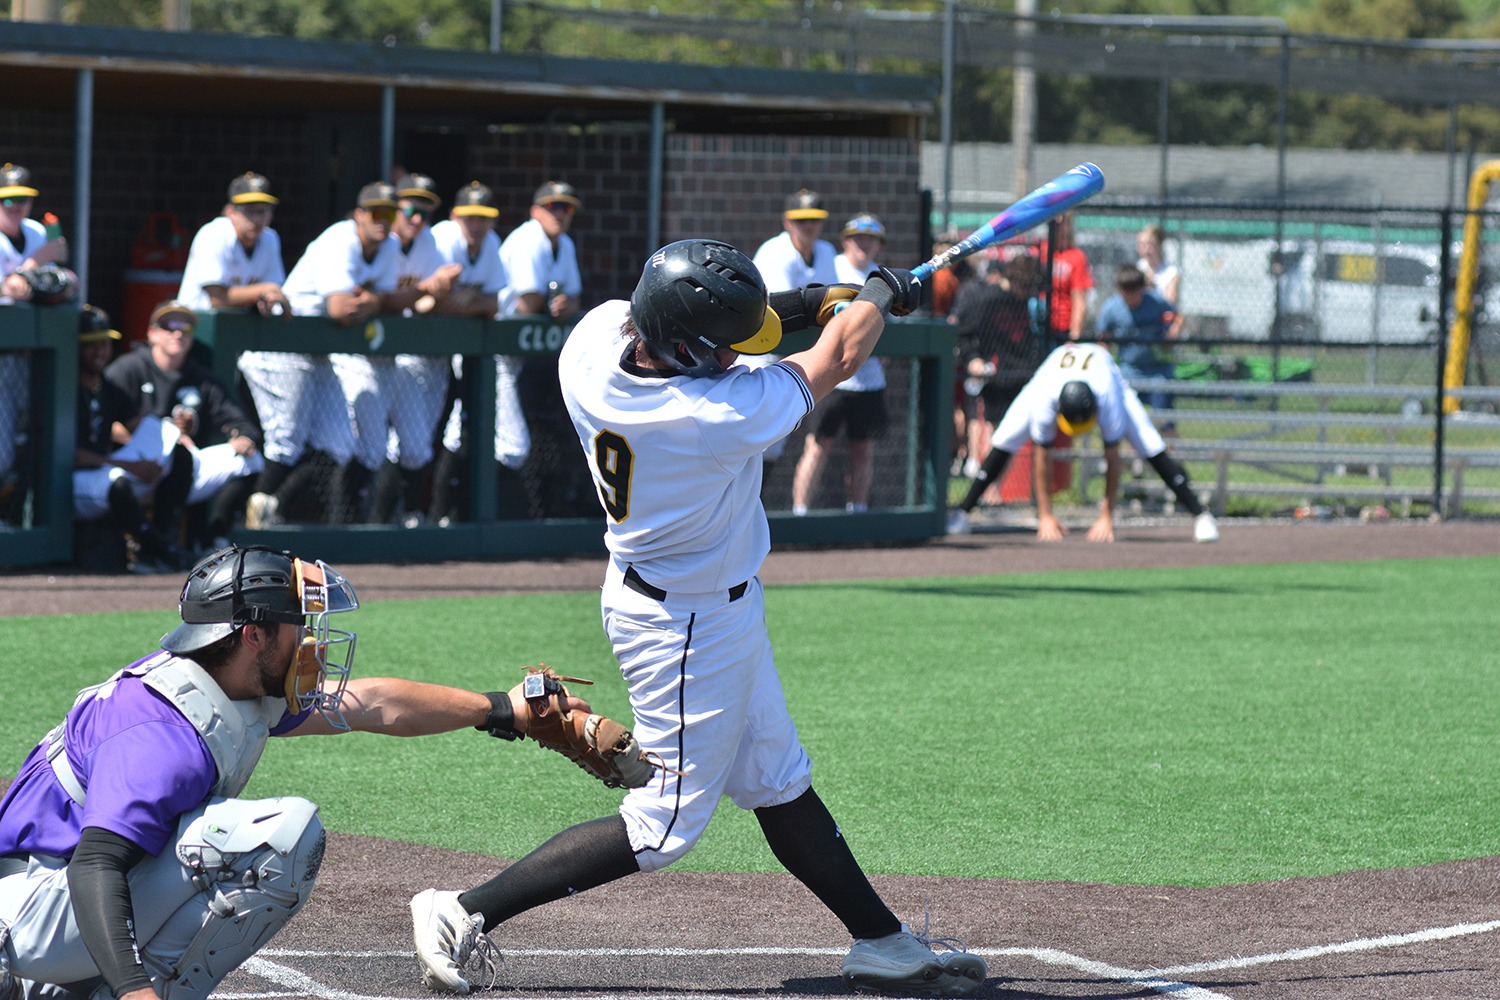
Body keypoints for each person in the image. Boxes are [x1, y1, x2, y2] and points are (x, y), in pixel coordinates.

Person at [409, 240, 988, 998]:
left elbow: (755, 326)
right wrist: (876, 294)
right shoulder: (712, 414)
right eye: (719, 349)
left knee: (777, 777)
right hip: (681, 627)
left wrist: (815, 297)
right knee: (664, 823)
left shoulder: (595, 339)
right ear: (685, 349)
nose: (730, 359)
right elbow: (838, 357)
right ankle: (460, 910)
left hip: (708, 602)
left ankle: (882, 942)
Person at [0, 542, 555, 1000]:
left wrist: (501, 709)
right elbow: (96, 867)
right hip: (29, 916)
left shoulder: (229, 686)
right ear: (253, 635)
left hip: (53, 907)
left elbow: (373, 703)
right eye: (298, 623)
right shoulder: (162, 732)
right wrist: (133, 992)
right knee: (279, 836)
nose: (310, 639)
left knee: (210, 838)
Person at [241, 181, 402, 527]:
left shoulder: (389, 246)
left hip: (319, 353)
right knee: (286, 440)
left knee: (340, 444)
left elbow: (387, 301)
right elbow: (341, 310)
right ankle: (237, 521)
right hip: (283, 347)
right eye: (376, 213)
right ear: (359, 215)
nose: (383, 220)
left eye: (390, 213)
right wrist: (376, 300)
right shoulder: (339, 240)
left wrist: (374, 300)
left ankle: (272, 507)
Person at [946, 341, 1219, 543]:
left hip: (1104, 370)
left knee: (1149, 443)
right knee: (1006, 437)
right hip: (1051, 372)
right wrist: (1046, 516)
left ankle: (1201, 515)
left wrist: (1106, 516)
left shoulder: (1107, 396)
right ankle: (961, 513)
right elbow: (1043, 456)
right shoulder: (1047, 396)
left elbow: (1113, 457)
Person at [105, 300, 265, 552]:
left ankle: (214, 537)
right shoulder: (128, 369)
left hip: (185, 469)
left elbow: (238, 420)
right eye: (170, 326)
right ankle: (155, 549)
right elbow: (103, 423)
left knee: (250, 460)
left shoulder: (200, 377)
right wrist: (153, 436)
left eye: (186, 328)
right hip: (136, 469)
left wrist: (240, 436)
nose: (178, 333)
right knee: (173, 455)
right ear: (152, 333)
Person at [426, 181, 519, 522]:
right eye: (469, 218)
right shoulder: (442, 238)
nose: (476, 225)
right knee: (410, 443)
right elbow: (435, 305)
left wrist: (467, 301)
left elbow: (495, 303)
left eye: (483, 218)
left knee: (437, 437)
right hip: (418, 350)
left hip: (452, 356)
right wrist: (469, 303)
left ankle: (438, 515)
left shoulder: (490, 243)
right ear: (455, 217)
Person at [72, 305, 191, 573]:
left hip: (103, 472)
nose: (100, 351)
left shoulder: (107, 388)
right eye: (91, 344)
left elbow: (137, 423)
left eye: (104, 343)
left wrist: (174, 429)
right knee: (118, 482)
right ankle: (162, 550)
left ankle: (159, 546)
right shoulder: (65, 385)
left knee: (179, 456)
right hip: (70, 482)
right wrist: (129, 465)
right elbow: (72, 455)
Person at [790, 212, 889, 515]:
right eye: (858, 237)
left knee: (862, 449)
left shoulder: (883, 278)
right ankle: (800, 513)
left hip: (869, 381)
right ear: (846, 241)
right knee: (818, 445)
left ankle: (857, 512)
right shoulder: (830, 267)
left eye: (871, 239)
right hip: (831, 378)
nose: (864, 244)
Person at [0, 163, 74, 523]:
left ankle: (14, 518)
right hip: (3, 355)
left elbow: (66, 281)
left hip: (30, 356)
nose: (17, 206)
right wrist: (36, 263)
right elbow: (11, 288)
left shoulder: (32, 230)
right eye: (9, 199)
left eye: (24, 199)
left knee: (27, 445)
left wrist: (38, 277)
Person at [750, 188, 840, 477]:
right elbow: (784, 310)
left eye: (813, 219)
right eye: (801, 220)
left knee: (775, 442)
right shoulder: (775, 251)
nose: (808, 226)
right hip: (758, 357)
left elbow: (833, 303)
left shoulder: (825, 251)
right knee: (757, 439)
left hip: (792, 359)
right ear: (788, 222)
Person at [948, 252, 1044, 493]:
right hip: (996, 378)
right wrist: (973, 360)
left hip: (1023, 377)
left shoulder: (1030, 307)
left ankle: (997, 491)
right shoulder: (988, 301)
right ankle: (988, 491)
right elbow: (962, 331)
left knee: (1012, 436)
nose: (1026, 292)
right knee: (995, 433)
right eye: (1024, 286)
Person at [175, 172, 290, 315]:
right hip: (194, 326)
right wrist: (264, 289)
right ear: (230, 212)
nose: (255, 219)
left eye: (261, 211)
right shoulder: (214, 233)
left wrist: (269, 298)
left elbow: (272, 289)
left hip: (238, 326)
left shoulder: (270, 238)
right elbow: (217, 300)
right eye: (248, 211)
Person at [1094, 263, 1184, 418]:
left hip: (1157, 371)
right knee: (1128, 419)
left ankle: (1167, 439)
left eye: (1134, 292)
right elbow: (1102, 339)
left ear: (1142, 289)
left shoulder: (1155, 301)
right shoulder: (1111, 308)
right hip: (1128, 370)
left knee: (1165, 421)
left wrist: (1172, 333)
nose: (1130, 297)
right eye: (1125, 292)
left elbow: (1178, 316)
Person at [1040, 211, 1092, 342]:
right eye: (1053, 224)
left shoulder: (1076, 257)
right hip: (1039, 324)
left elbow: (1079, 299)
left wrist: (1074, 335)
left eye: (1061, 223)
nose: (1057, 228)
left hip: (1062, 328)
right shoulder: (1041, 249)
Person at [1136, 223, 1180, 305]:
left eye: (1150, 244)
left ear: (1160, 245)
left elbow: (1170, 302)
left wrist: (1152, 287)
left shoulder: (1171, 272)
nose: (1146, 249)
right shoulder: (1138, 267)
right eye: (1142, 244)